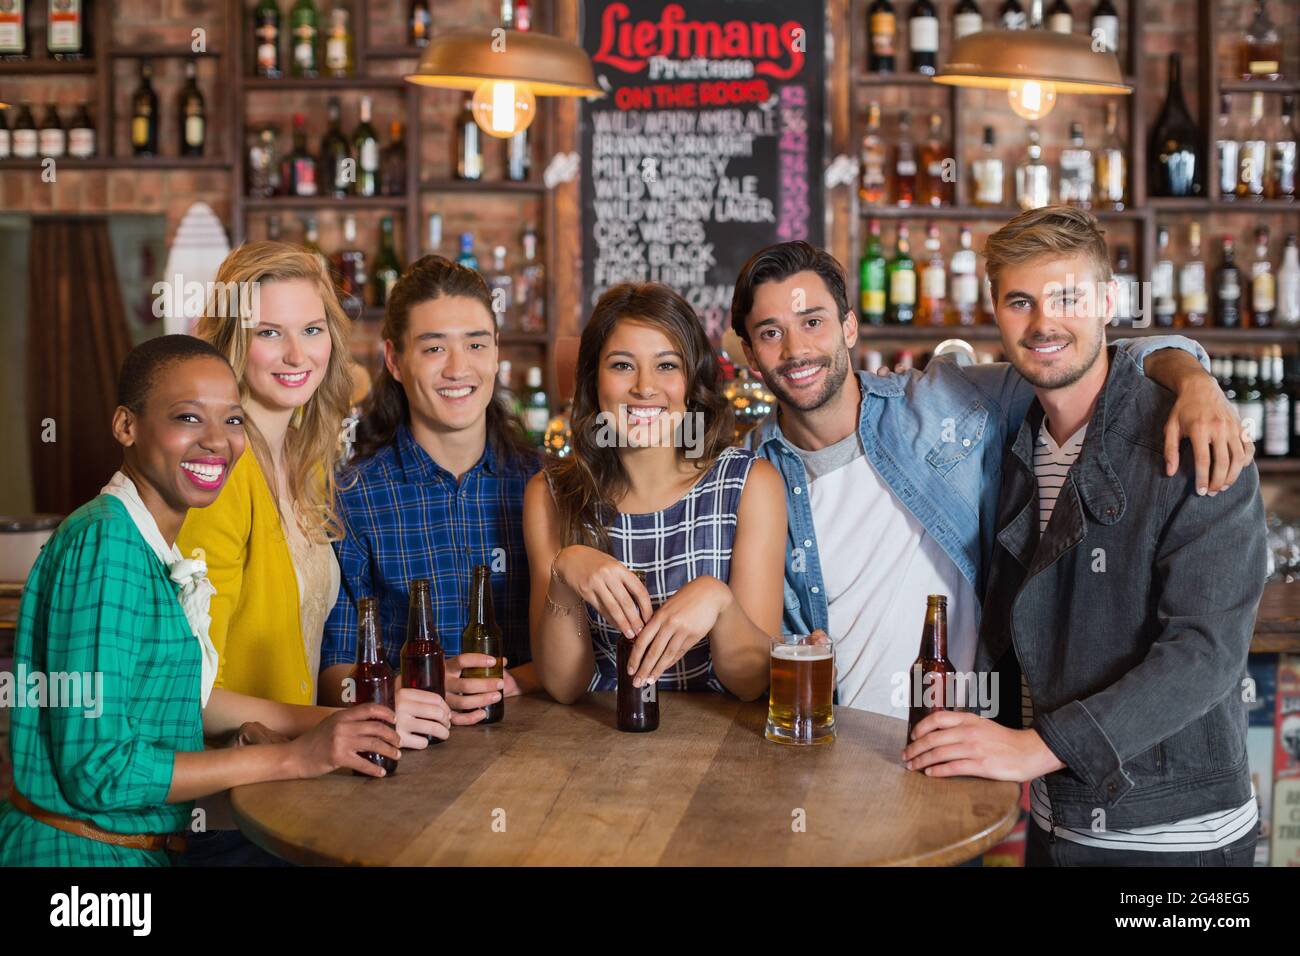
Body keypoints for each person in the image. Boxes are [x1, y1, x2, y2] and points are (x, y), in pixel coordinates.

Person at [734, 238, 1250, 718]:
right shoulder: (744, 474)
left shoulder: (945, 400)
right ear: (751, 354)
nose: (796, 350)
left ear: (849, 327)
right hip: (832, 741)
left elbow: (1091, 361)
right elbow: (742, 653)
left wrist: (1193, 380)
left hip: (965, 737)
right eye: (771, 333)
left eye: (813, 322)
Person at [904, 206, 1265, 867]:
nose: (1044, 323)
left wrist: (1034, 748)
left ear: (1107, 303)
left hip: (1172, 838)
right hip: (1058, 822)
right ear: (995, 311)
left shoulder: (1196, 437)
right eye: (1021, 302)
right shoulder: (1014, 441)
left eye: (1067, 298)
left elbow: (1205, 654)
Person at [0, 335, 448, 866]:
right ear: (126, 426)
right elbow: (99, 770)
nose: (217, 440)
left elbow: (160, 711)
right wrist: (292, 759)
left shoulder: (148, 547)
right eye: (188, 417)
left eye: (233, 420)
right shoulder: (107, 543)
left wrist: (294, 735)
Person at [524, 282, 784, 703]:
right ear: (593, 380)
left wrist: (719, 601)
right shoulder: (551, 494)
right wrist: (564, 571)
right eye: (622, 365)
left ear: (691, 381)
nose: (645, 387)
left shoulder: (749, 483)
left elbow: (752, 682)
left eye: (666, 365)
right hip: (596, 733)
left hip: (721, 736)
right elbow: (564, 686)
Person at [318, 257, 542, 718]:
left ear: (496, 353)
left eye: (476, 344)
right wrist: (412, 688)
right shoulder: (352, 498)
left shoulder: (545, 486)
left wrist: (512, 682)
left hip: (546, 742)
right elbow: (332, 677)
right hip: (409, 749)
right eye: (434, 348)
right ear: (395, 360)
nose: (458, 368)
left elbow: (593, 652)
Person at [179, 242, 353, 708]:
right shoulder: (219, 470)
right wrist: (323, 728)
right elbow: (189, 690)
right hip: (238, 753)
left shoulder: (305, 458)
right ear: (231, 341)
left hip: (297, 748)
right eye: (270, 333)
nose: (297, 355)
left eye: (312, 330)